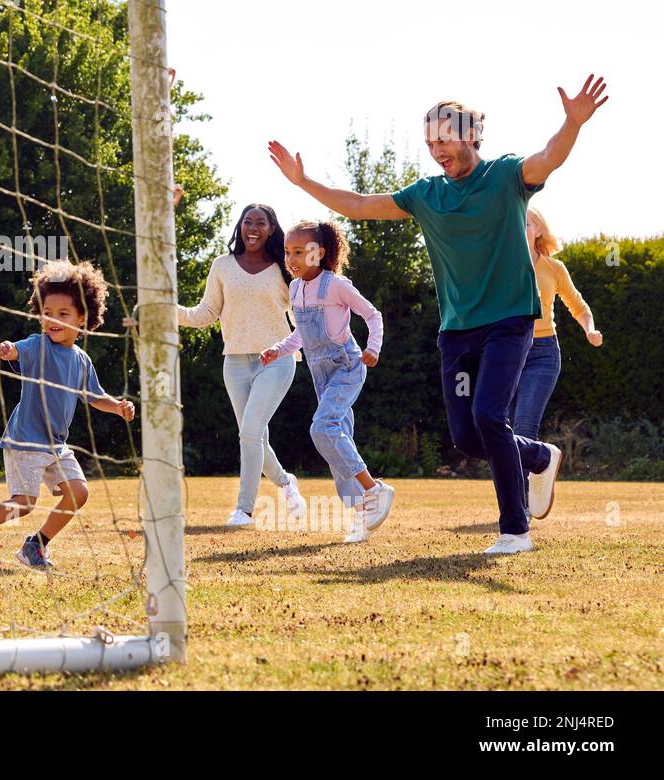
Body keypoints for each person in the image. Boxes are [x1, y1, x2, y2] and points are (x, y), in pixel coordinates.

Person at [268, 74, 609, 554]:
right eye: (429, 141)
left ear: (471, 134)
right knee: (470, 438)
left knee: (490, 416)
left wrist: (572, 124)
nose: (436, 149)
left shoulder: (506, 177)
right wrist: (303, 182)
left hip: (510, 323)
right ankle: (538, 455)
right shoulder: (427, 194)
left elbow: (548, 156)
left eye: (444, 137)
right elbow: (361, 206)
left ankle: (515, 530)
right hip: (457, 332)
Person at [0, 260, 134, 570]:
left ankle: (35, 546)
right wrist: (9, 350)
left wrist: (118, 406)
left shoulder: (81, 359)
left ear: (83, 318)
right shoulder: (38, 345)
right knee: (23, 505)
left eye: (63, 314)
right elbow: (18, 350)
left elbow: (95, 397)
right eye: (47, 313)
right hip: (26, 440)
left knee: (78, 493)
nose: (52, 320)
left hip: (56, 445)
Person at [173, 204, 308, 527]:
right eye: (248, 221)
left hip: (276, 361)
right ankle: (287, 482)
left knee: (249, 433)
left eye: (261, 223)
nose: (253, 227)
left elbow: (307, 310)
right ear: (240, 226)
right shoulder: (222, 265)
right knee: (254, 437)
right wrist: (167, 309)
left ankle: (243, 510)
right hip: (234, 363)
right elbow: (205, 314)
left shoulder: (283, 267)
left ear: (271, 229)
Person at [260, 221, 394, 542]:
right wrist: (278, 350)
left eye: (298, 252)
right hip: (321, 375)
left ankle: (374, 488)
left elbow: (372, 315)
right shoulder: (294, 289)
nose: (291, 259)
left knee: (323, 429)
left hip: (347, 367)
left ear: (318, 253)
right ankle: (363, 516)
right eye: (287, 252)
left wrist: (372, 347)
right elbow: (301, 335)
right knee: (336, 438)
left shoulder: (336, 285)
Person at [511, 207, 602, 444]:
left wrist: (590, 329)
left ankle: (528, 477)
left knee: (524, 427)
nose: (520, 228)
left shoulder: (554, 268)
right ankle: (542, 464)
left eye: (526, 223)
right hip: (507, 350)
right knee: (497, 426)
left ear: (538, 230)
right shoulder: (500, 266)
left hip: (543, 353)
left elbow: (579, 307)